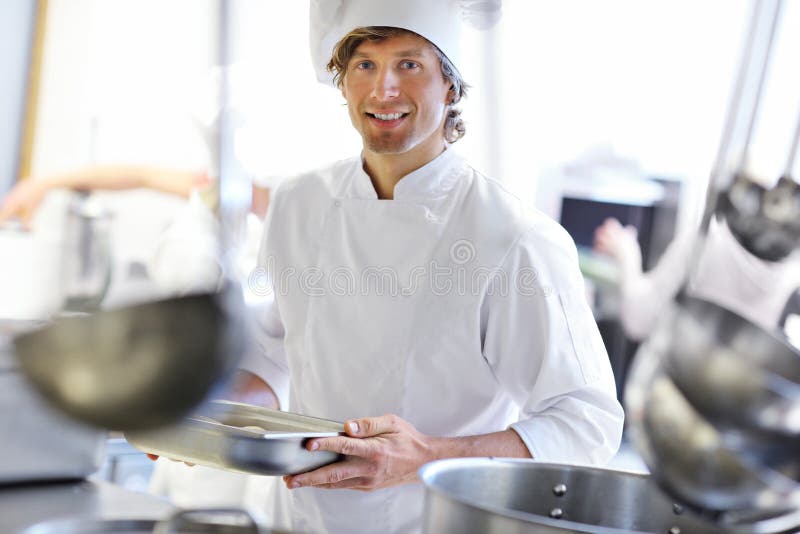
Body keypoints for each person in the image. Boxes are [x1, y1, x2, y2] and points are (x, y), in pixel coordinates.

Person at [235, 1, 624, 532]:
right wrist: (201, 421)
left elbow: (587, 425)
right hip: (300, 519)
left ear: (450, 85)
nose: (383, 90)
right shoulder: (296, 204)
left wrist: (428, 455)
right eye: (364, 64)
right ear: (342, 82)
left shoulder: (515, 239)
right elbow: (268, 352)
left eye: (409, 64)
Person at [593, 215, 800, 339]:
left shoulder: (706, 239)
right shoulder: (793, 276)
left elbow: (639, 319)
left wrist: (627, 253)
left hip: (671, 397)